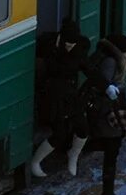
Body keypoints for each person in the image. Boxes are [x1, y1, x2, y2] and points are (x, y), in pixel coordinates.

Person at [79, 33, 126, 195]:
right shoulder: (111, 63)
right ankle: (108, 193)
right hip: (106, 115)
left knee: (110, 147)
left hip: (104, 114)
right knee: (112, 150)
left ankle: (108, 192)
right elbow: (104, 88)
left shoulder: (105, 58)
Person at [30, 19, 91, 179]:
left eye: (73, 44)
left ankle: (73, 156)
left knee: (83, 128)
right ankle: (36, 162)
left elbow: (88, 68)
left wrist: (106, 86)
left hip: (69, 95)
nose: (70, 47)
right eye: (68, 43)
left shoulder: (78, 49)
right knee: (59, 133)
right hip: (53, 96)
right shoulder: (48, 46)